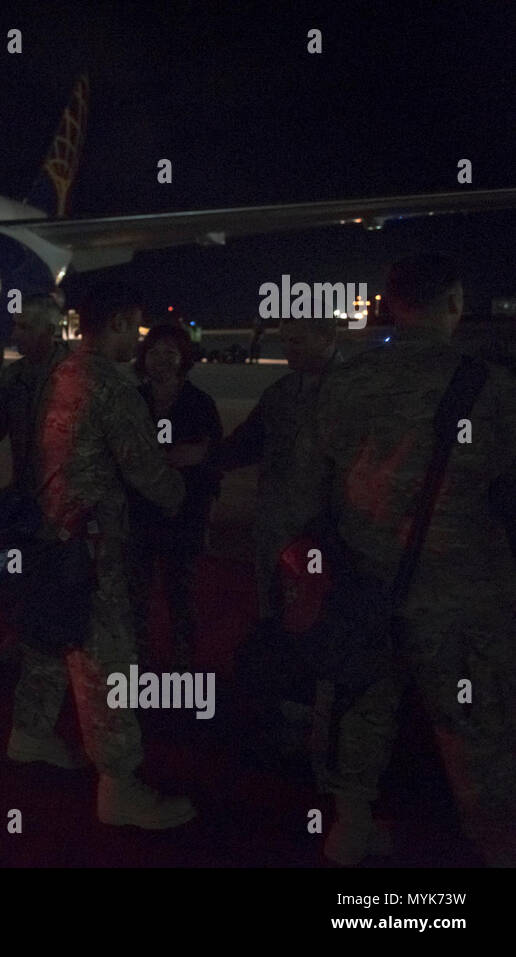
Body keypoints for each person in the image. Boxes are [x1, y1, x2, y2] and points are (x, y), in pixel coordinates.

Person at [280, 254, 516, 867]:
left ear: (390, 304)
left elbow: (305, 489)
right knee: (473, 720)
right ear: (455, 304)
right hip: (462, 592)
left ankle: (350, 831)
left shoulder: (346, 381)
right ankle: (493, 840)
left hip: (363, 585)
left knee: (361, 705)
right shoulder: (489, 387)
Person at [18, 281, 195, 828]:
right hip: (95, 546)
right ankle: (119, 786)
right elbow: (146, 470)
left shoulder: (60, 373)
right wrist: (180, 493)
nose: (137, 337)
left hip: (52, 534)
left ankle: (29, 733)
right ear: (117, 322)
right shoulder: (111, 387)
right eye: (134, 325)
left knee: (52, 637)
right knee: (107, 658)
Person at [213, 316, 342, 619]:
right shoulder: (280, 393)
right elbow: (245, 445)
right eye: (284, 340)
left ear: (326, 337)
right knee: (275, 615)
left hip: (330, 535)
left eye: (296, 341)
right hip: (277, 531)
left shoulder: (354, 393)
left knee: (324, 620)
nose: (287, 349)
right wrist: (202, 458)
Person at [128, 322, 222, 669]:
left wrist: (199, 460)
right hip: (139, 514)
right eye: (154, 352)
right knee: (135, 591)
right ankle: (137, 655)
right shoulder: (133, 402)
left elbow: (215, 460)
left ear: (184, 358)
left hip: (186, 516)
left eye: (170, 353)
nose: (161, 360)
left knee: (181, 590)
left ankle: (183, 657)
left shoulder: (200, 404)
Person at [0, 294, 71, 495]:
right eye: (15, 326)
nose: (14, 335)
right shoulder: (14, 378)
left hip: (73, 503)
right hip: (29, 495)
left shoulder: (81, 377)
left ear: (49, 331)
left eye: (25, 328)